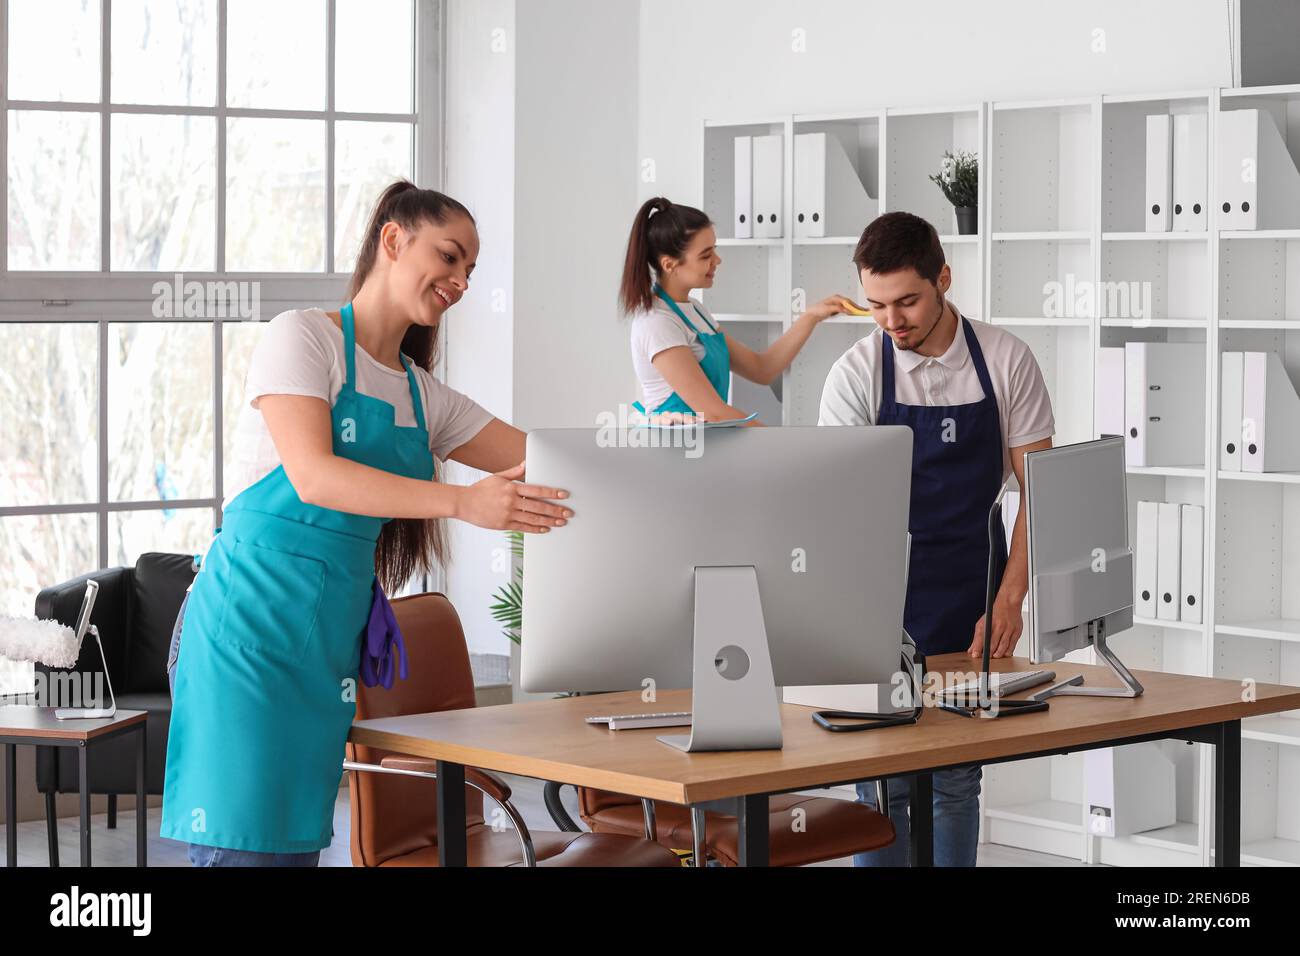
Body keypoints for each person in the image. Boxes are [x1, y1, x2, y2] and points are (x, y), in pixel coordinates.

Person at [161, 180, 572, 867]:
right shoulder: (302, 338)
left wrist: (651, 449)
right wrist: (462, 502)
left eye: (471, 270)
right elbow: (314, 476)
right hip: (245, 635)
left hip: (322, 648)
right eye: (449, 257)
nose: (461, 281)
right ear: (392, 240)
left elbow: (546, 461)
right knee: (242, 849)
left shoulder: (422, 394)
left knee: (289, 850)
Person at [818, 211, 1055, 867]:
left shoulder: (1006, 359)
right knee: (881, 782)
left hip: (972, 596)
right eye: (876, 305)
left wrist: (1009, 602)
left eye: (907, 301)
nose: (892, 320)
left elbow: (1039, 490)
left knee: (955, 778)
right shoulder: (856, 375)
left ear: (943, 278)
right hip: (881, 599)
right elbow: (842, 511)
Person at [620, 197, 854, 424]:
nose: (717, 260)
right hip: (677, 454)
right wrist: (785, 443)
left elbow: (763, 368)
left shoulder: (696, 311)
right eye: (706, 256)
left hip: (704, 447)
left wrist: (811, 316)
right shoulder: (656, 322)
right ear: (669, 264)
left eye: (714, 250)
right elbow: (714, 413)